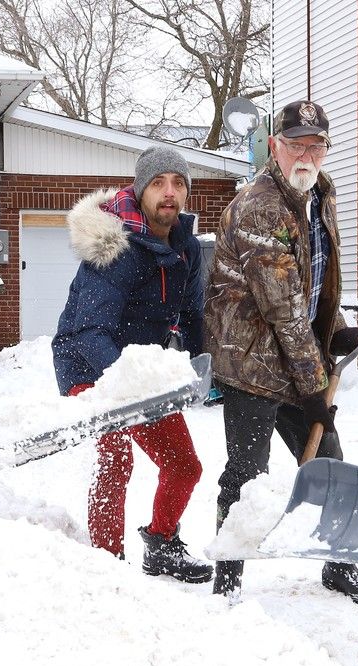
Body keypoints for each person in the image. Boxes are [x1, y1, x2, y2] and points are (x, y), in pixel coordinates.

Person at [204, 99, 358, 604]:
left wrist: (337, 329)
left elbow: (312, 281)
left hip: (299, 355)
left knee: (330, 465)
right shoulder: (260, 205)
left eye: (317, 144)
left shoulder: (318, 194)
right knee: (247, 476)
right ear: (273, 147)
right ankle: (229, 577)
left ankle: (339, 564)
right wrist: (313, 389)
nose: (307, 153)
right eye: (295, 144)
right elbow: (281, 307)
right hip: (253, 364)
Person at [52, 146, 212, 584]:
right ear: (141, 190)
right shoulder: (116, 246)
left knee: (184, 465)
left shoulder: (187, 249)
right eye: (159, 182)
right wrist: (129, 381)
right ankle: (106, 567)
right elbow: (88, 331)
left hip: (142, 368)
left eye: (179, 183)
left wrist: (204, 369)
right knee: (116, 456)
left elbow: (195, 316)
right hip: (87, 362)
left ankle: (161, 546)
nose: (169, 192)